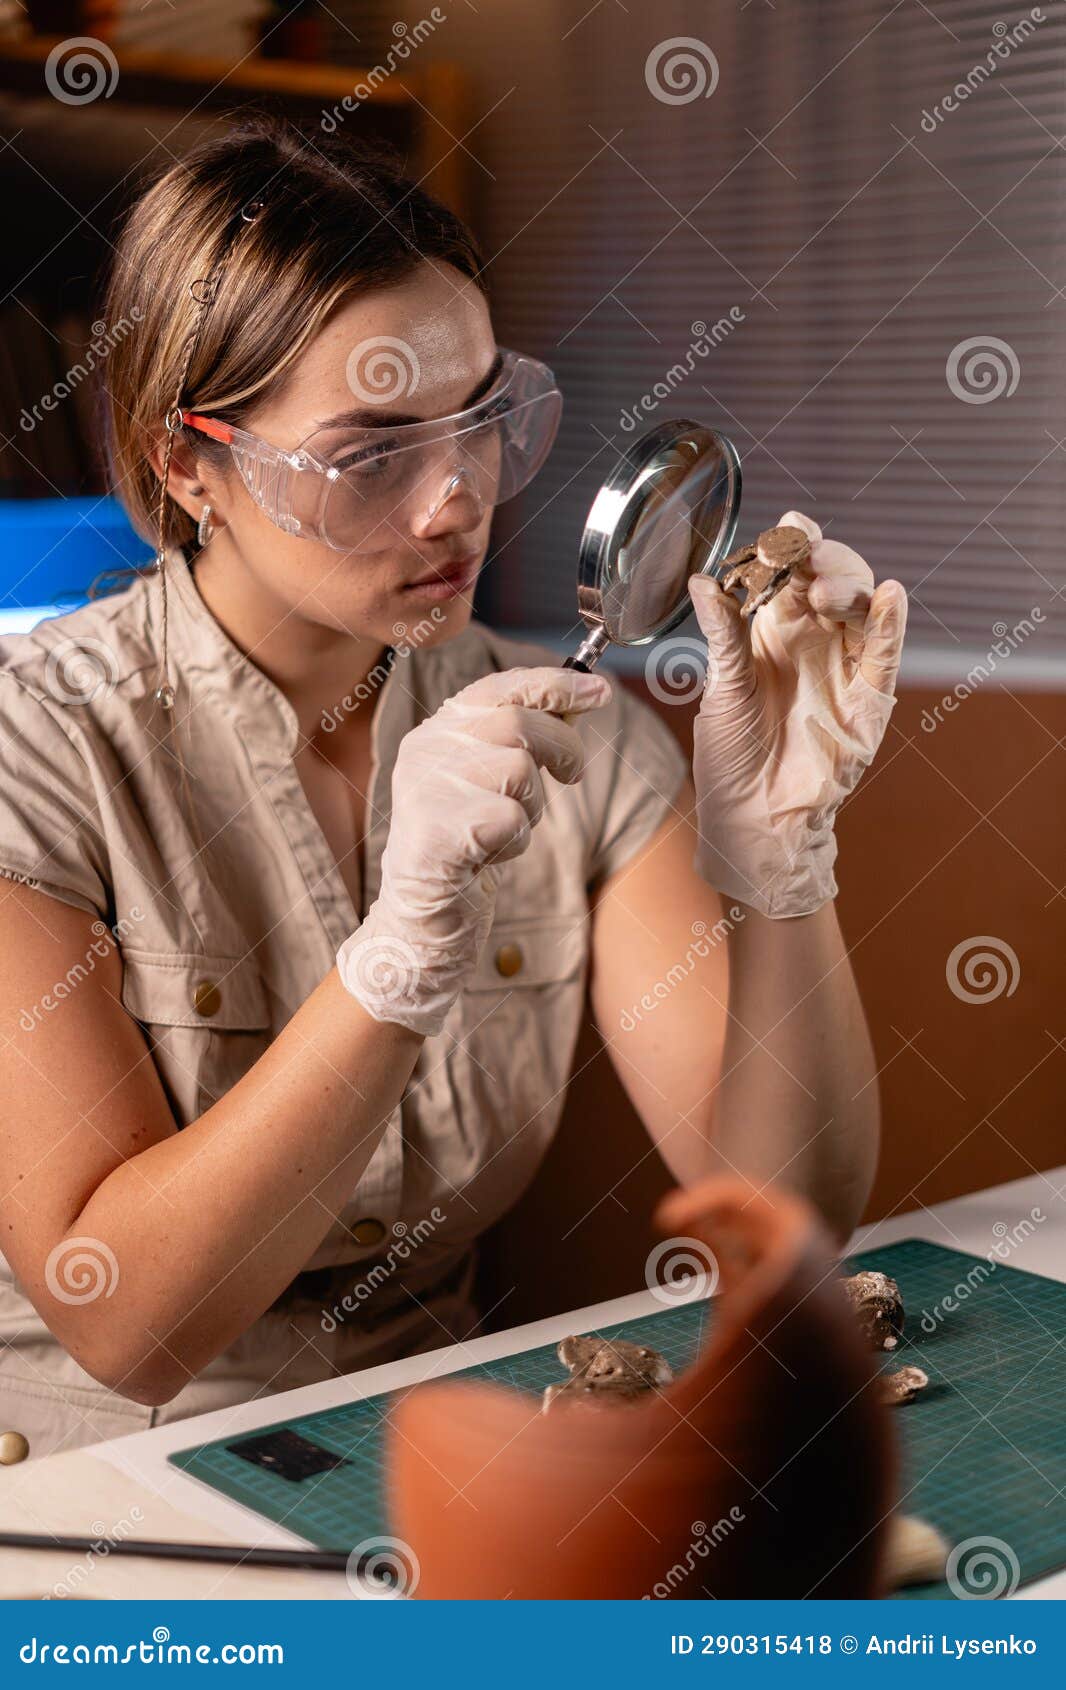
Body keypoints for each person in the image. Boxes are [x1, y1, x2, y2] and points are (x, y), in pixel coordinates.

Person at [0, 118, 906, 1457]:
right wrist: (397, 955)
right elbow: (129, 1328)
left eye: (482, 420)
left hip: (431, 1446)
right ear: (188, 460)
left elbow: (778, 1206)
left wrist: (780, 858)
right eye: (371, 452)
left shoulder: (567, 726)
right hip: (103, 1486)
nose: (453, 501)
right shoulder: (38, 745)